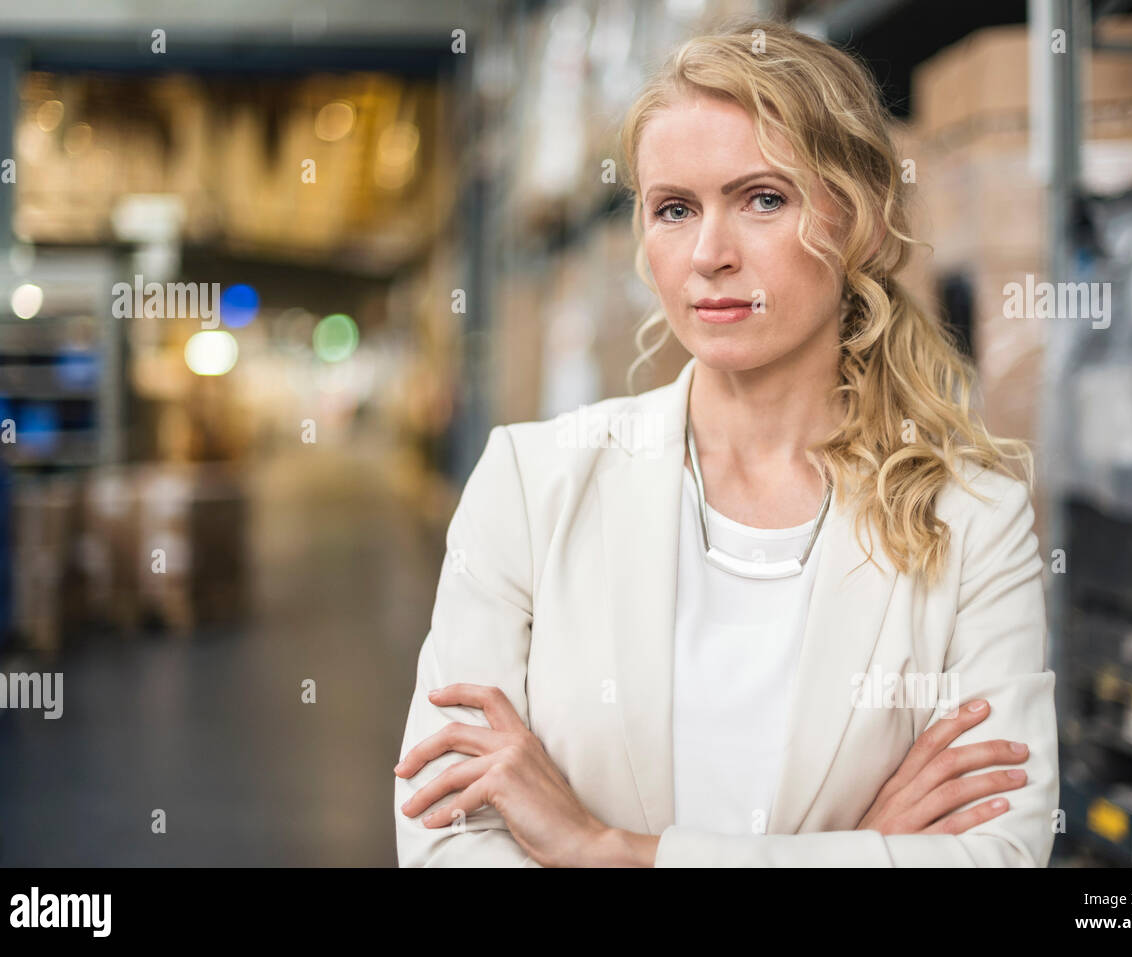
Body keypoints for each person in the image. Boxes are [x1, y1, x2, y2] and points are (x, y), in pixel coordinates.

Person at [394, 17, 1058, 867]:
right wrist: (860, 850)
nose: (708, 254)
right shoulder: (528, 485)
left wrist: (613, 849)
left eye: (762, 199)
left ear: (863, 222)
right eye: (673, 209)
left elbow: (997, 853)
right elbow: (445, 836)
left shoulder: (975, 517)